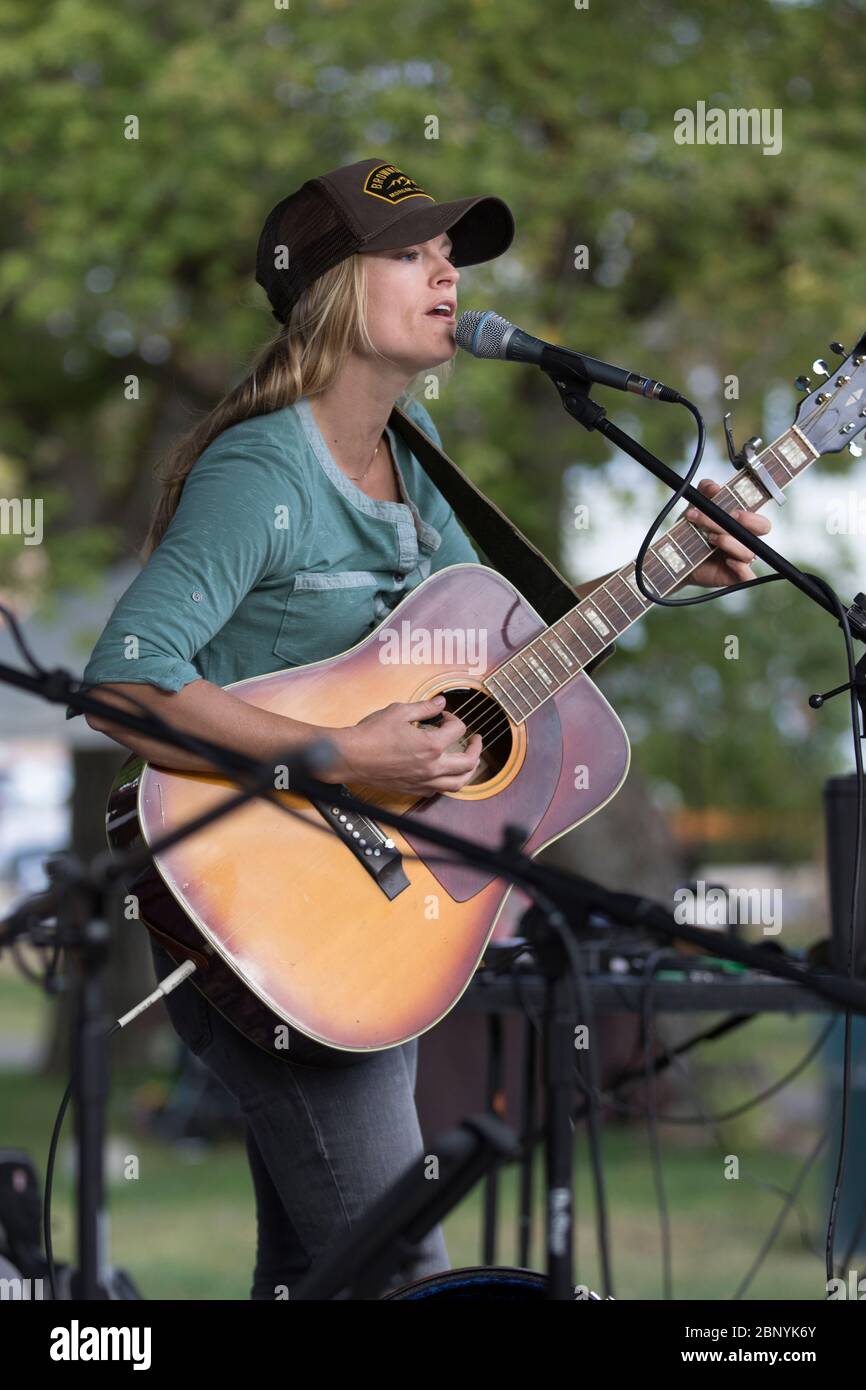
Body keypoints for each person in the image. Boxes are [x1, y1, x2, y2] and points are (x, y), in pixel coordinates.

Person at [69, 156, 772, 1299]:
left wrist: (677, 570)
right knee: (406, 1280)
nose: (448, 270)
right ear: (334, 288)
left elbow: (509, 659)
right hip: (262, 909)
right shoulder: (263, 466)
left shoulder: (420, 478)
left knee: (313, 1276)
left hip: (362, 924)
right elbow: (124, 684)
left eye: (451, 252)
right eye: (412, 250)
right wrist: (341, 753)